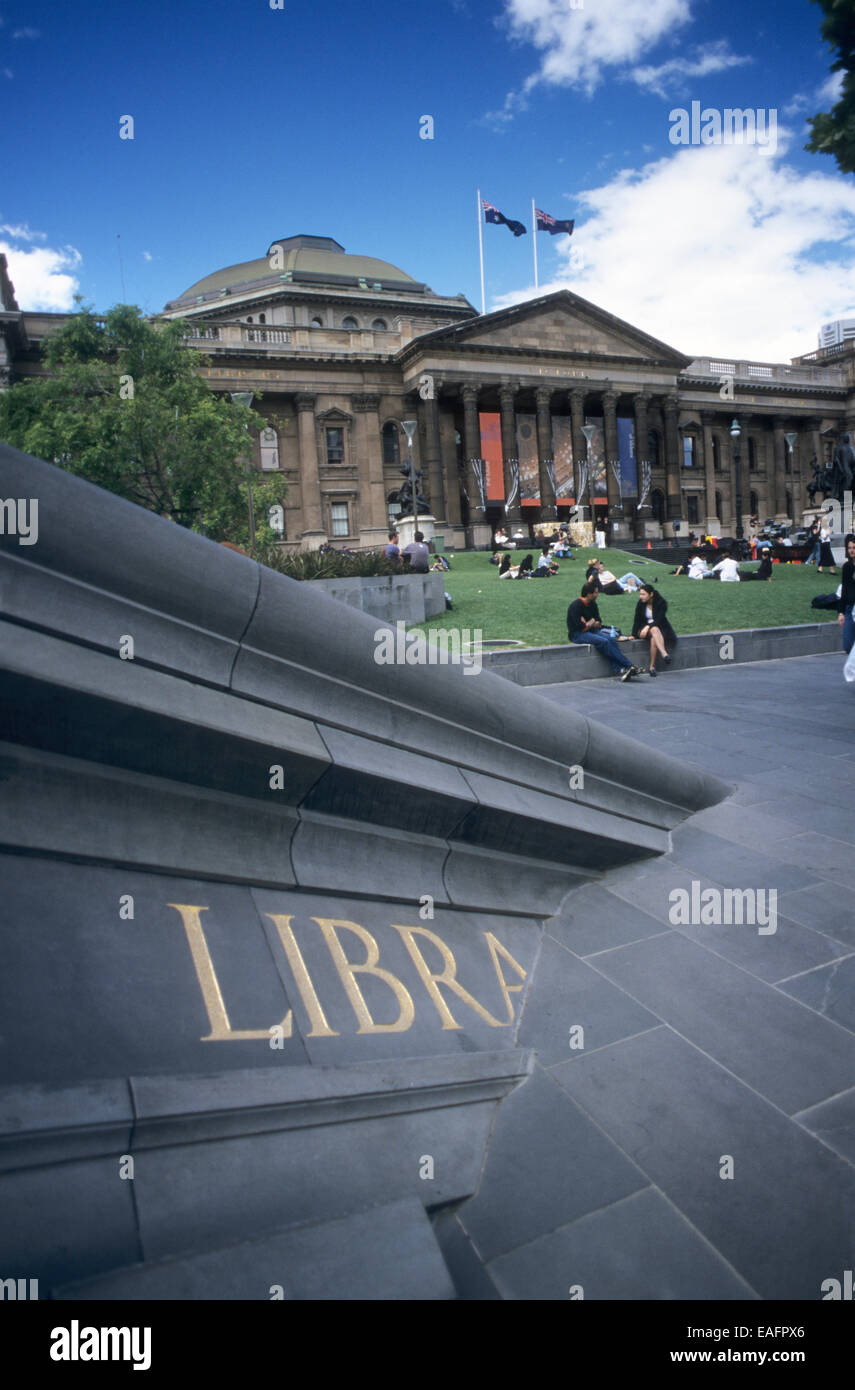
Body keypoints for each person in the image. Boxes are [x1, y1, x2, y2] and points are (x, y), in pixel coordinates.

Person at [567, 581, 642, 681]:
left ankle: (621, 669)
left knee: (611, 639)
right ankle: (629, 666)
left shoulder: (593, 604)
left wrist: (590, 623)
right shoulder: (575, 606)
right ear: (589, 594)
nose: (597, 595)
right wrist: (590, 623)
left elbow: (598, 622)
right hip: (577, 634)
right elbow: (581, 627)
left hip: (591, 631)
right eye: (596, 592)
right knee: (603, 642)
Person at [631, 583, 677, 676]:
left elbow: (659, 619)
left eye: (643, 594)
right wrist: (634, 634)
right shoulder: (640, 604)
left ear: (651, 594)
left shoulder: (661, 603)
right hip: (644, 630)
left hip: (661, 628)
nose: (641, 597)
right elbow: (637, 619)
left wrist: (649, 626)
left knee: (654, 635)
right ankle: (664, 654)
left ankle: (652, 667)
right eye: (640, 594)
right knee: (654, 629)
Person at [838, 533, 855, 654]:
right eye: (849, 548)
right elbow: (844, 589)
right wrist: (841, 612)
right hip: (849, 608)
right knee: (848, 645)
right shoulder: (847, 567)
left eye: (854, 547)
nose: (852, 550)